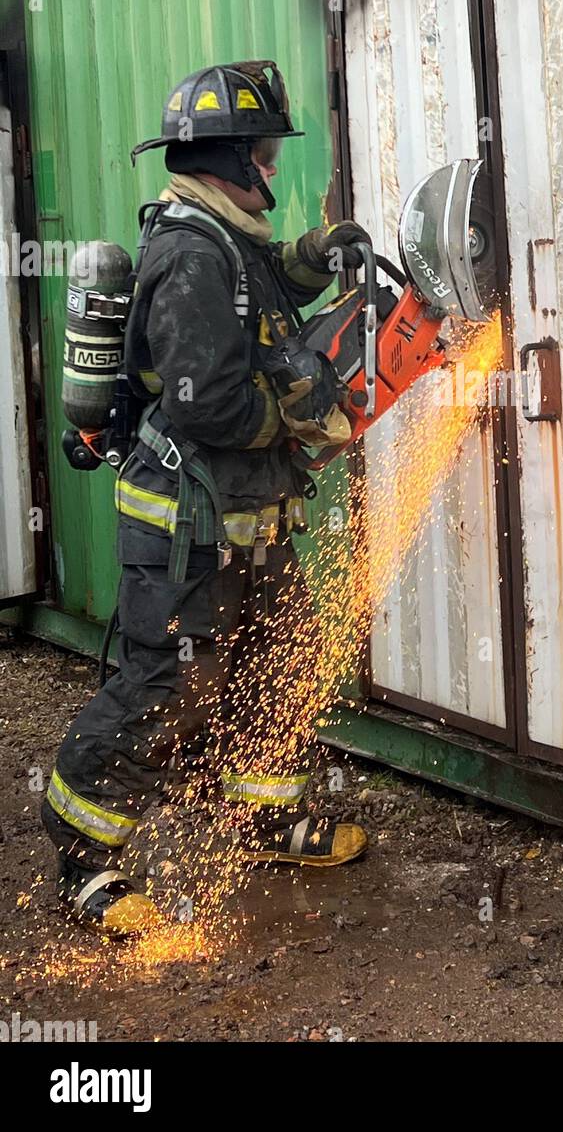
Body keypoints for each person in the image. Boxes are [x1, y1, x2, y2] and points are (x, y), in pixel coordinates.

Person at [43, 61, 369, 935]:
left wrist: (309, 261)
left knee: (277, 663)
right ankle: (84, 858)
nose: (271, 167)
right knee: (167, 688)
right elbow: (208, 402)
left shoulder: (225, 240)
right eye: (262, 153)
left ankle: (262, 818)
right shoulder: (189, 254)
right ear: (227, 157)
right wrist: (307, 415)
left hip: (247, 518)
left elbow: (257, 311)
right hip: (186, 529)